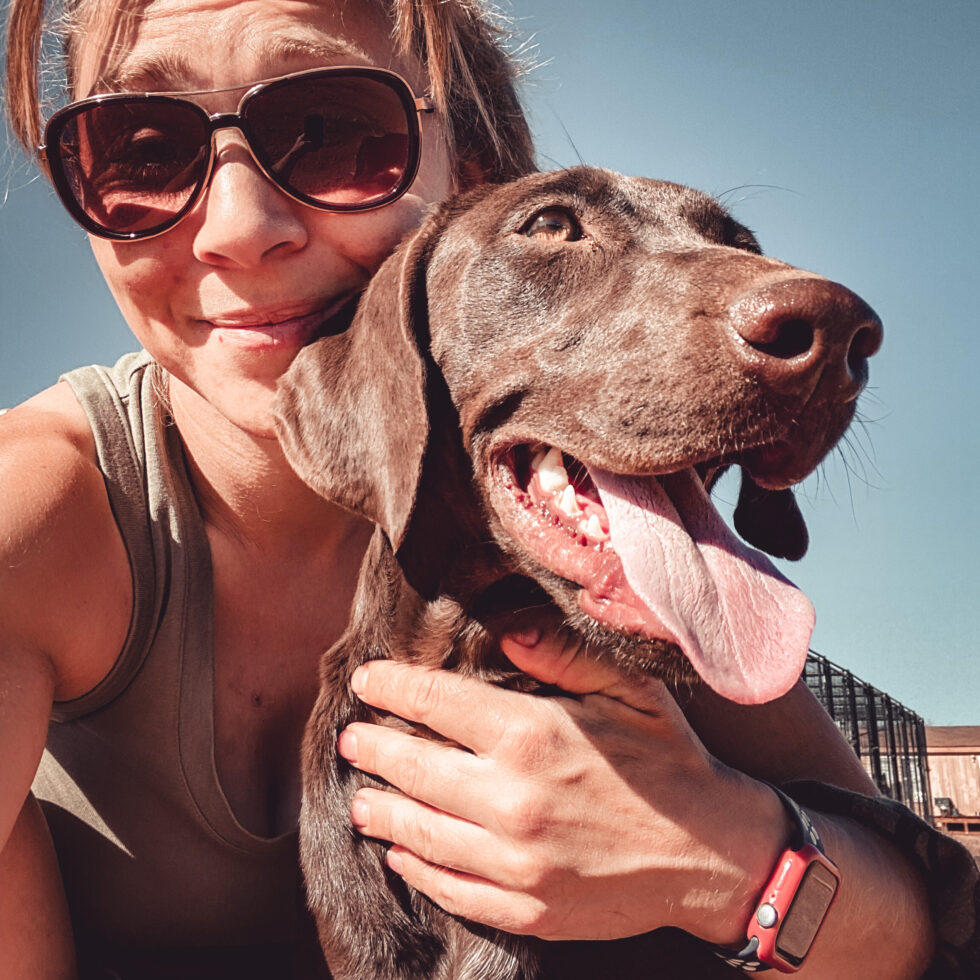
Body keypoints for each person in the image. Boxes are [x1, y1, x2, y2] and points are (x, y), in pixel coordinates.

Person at [0, 0, 974, 977]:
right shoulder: (28, 513)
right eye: (137, 152)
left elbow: (921, 933)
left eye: (330, 131)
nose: (241, 228)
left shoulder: (596, 519)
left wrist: (730, 859)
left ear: (469, 178)